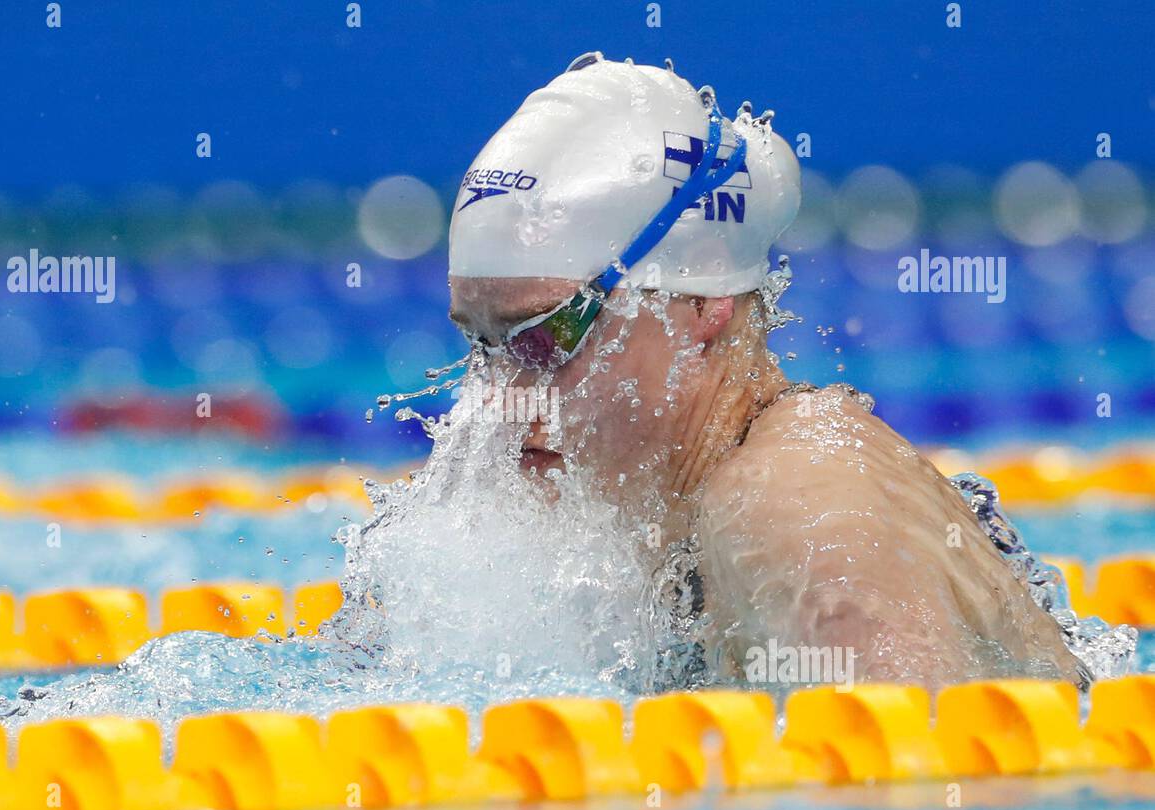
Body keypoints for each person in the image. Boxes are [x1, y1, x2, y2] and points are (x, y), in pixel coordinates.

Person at [444, 52, 1082, 688]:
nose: (498, 401)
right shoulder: (675, 507)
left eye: (546, 336)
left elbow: (917, 754)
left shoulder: (790, 505)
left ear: (701, 304)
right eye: (482, 345)